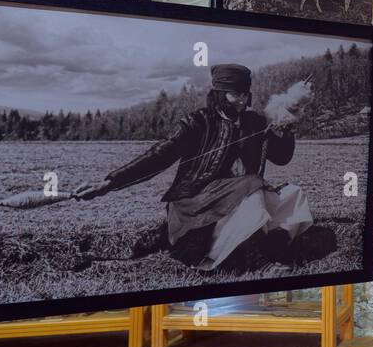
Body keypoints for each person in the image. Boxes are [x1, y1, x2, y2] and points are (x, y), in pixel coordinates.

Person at [73, 63, 333, 271]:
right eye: (234, 95)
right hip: (196, 205)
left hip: (241, 200)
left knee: (293, 194)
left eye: (245, 94)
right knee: (253, 184)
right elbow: (158, 156)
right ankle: (257, 261)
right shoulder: (197, 122)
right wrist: (109, 183)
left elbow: (282, 157)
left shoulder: (254, 122)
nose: (241, 101)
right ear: (220, 94)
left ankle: (262, 247)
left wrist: (287, 126)